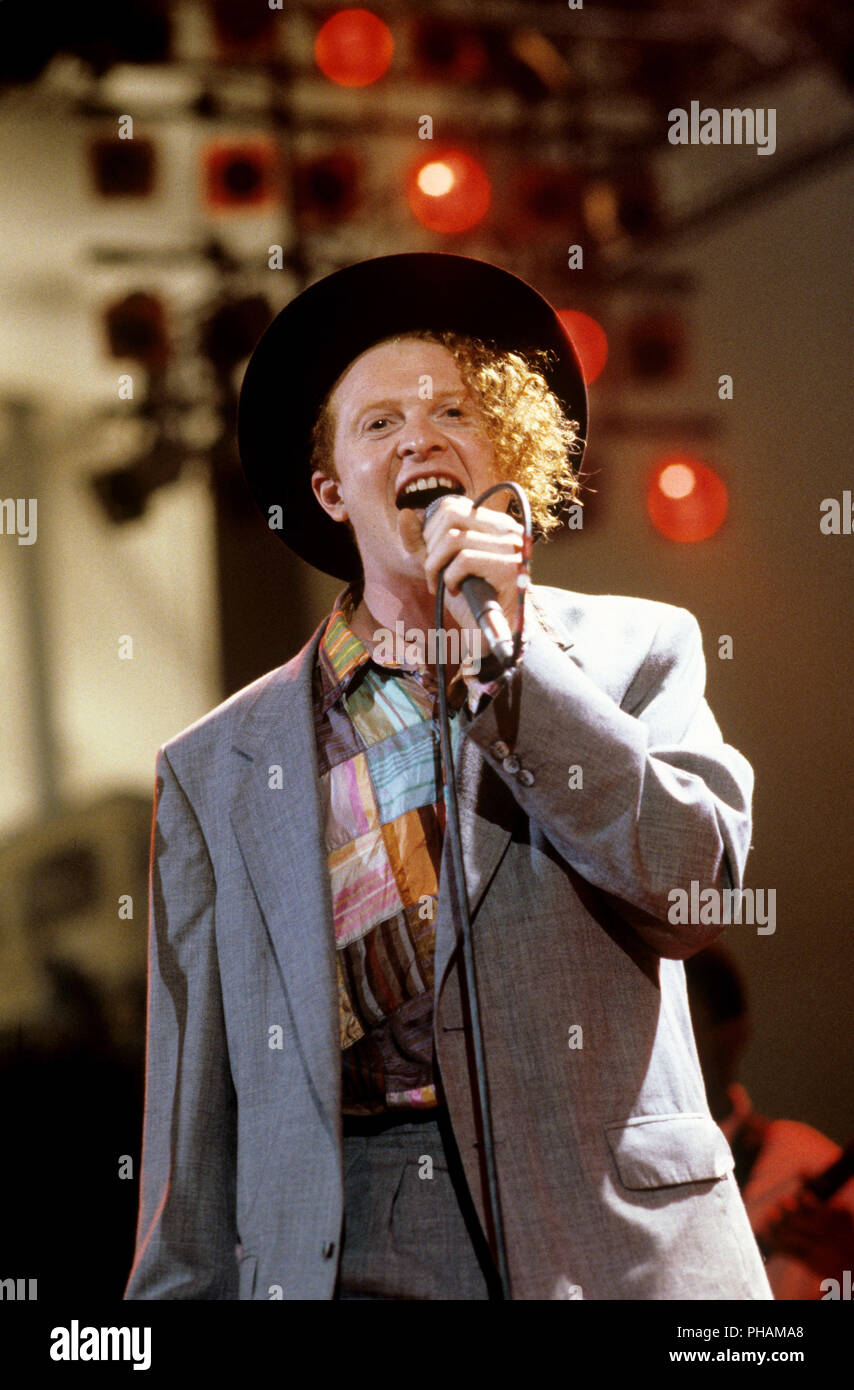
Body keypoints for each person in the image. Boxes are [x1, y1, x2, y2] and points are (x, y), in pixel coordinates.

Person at [124, 252, 772, 1301]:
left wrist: (516, 664)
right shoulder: (215, 769)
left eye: (453, 413)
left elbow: (691, 885)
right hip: (358, 1248)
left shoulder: (633, 653)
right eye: (377, 424)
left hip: (614, 1250)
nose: (418, 436)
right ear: (330, 490)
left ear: (504, 451)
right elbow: (190, 1119)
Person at [686, 943, 854, 1299]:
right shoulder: (598, 1171)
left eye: (679, 1025)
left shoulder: (806, 1162)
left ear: (730, 1036)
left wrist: (846, 1268)